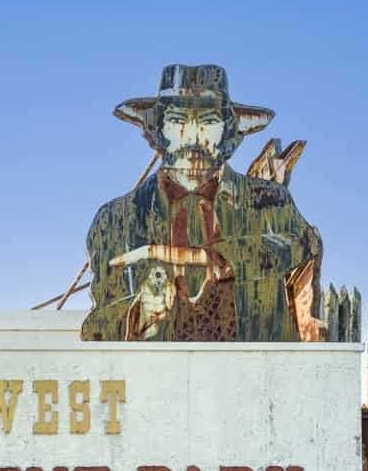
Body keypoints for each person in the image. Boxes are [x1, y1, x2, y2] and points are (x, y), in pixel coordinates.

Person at [80, 64, 323, 342]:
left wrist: (222, 259)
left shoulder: (269, 202)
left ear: (230, 131)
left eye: (208, 122)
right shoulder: (114, 220)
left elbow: (305, 243)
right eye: (177, 122)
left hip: (253, 377)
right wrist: (140, 315)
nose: (193, 137)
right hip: (157, 379)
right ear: (156, 129)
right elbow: (98, 328)